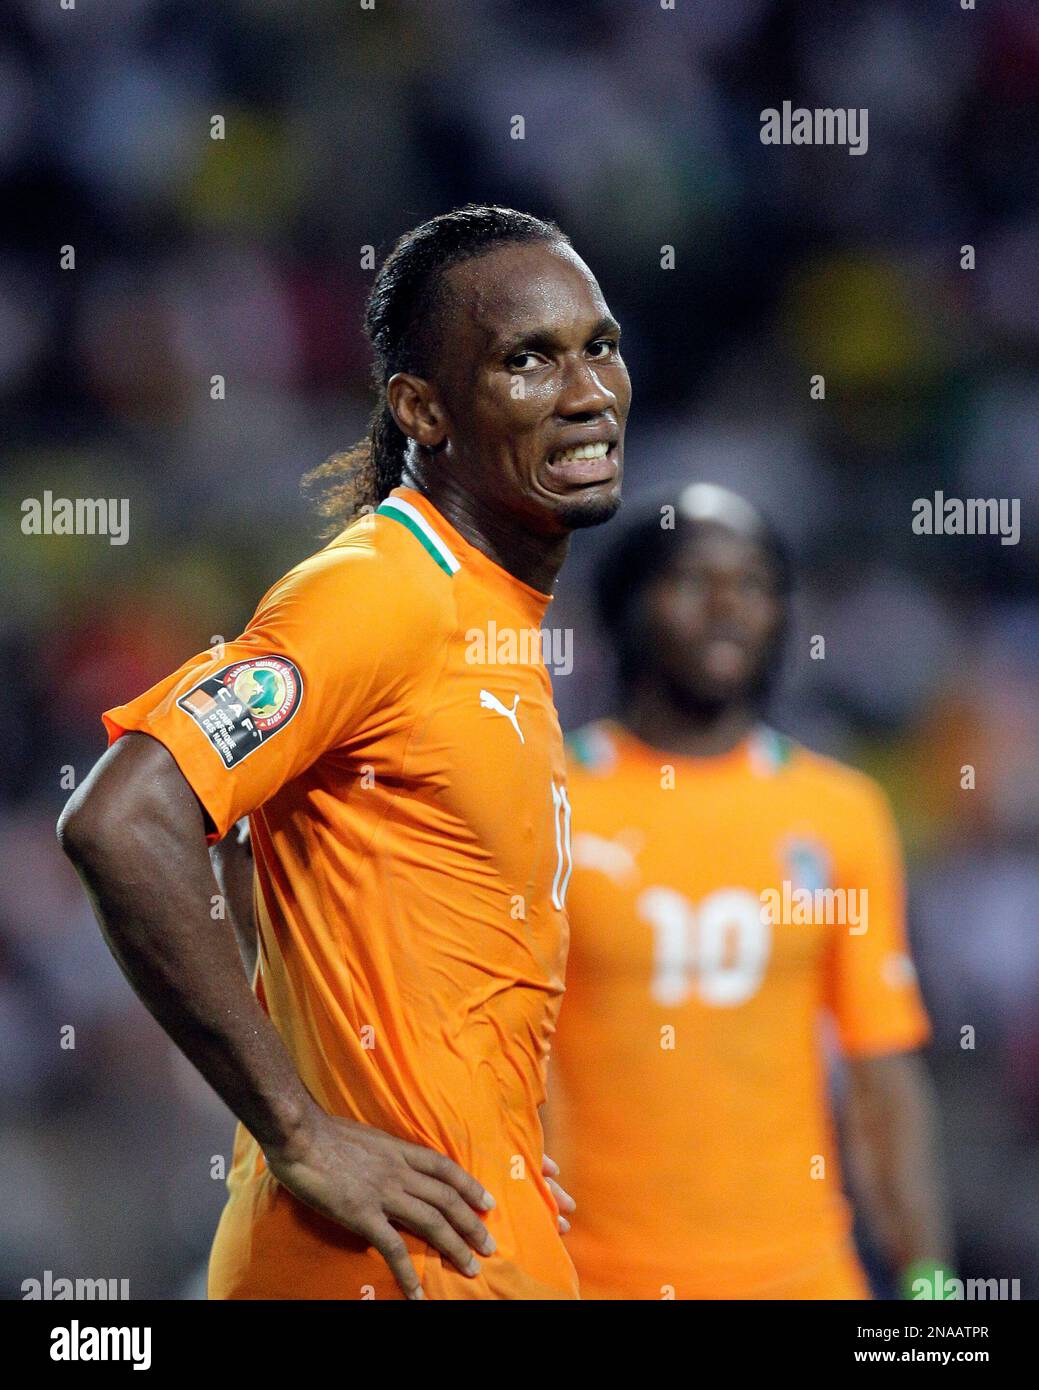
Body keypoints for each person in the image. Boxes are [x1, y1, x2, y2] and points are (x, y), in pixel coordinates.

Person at [57, 204, 629, 1300]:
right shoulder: (379, 591)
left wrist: (490, 1135)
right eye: (527, 361)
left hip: (469, 1245)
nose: (588, 392)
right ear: (423, 406)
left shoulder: (490, 615)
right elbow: (124, 820)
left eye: (598, 345)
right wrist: (301, 1130)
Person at [548, 482, 951, 1299]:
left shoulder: (837, 812)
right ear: (629, 605)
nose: (728, 607)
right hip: (586, 1278)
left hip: (802, 1278)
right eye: (695, 580)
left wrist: (932, 1292)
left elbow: (883, 1080)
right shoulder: (544, 800)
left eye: (756, 585)